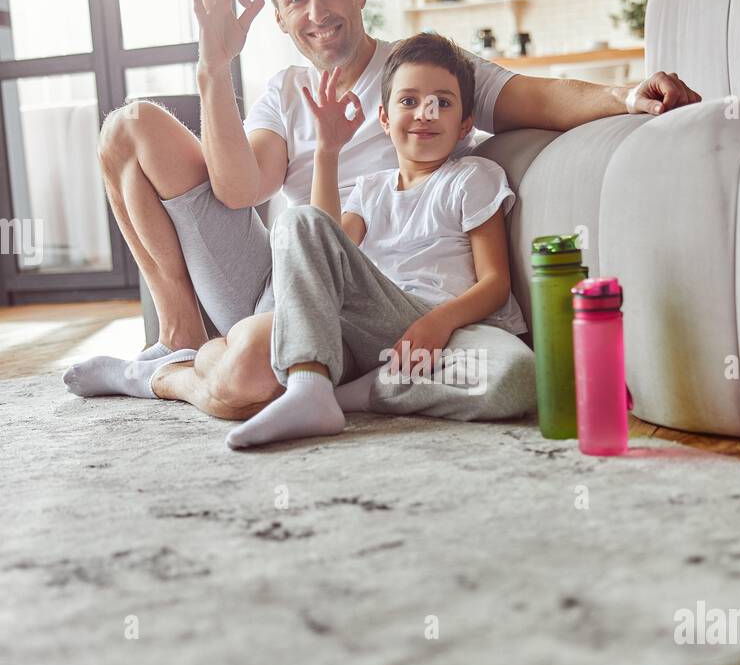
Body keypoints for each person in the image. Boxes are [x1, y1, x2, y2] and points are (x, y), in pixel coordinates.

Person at [63, 0, 701, 409]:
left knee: (248, 376)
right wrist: (214, 65)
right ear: (280, 18)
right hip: (275, 277)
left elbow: (534, 94)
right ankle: (178, 337)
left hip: (361, 300)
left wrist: (623, 95)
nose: (318, 13)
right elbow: (238, 190)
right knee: (128, 127)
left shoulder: (419, 72)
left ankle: (170, 377)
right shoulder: (284, 91)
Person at [145, 32, 537, 448]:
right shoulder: (370, 189)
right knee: (301, 221)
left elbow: (495, 283)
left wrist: (435, 323)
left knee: (516, 378)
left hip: (446, 331)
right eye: (409, 101)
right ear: (384, 118)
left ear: (464, 125)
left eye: (442, 102)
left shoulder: (472, 178)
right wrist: (327, 151)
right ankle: (309, 386)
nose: (425, 113)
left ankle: (349, 395)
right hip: (368, 325)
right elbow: (325, 250)